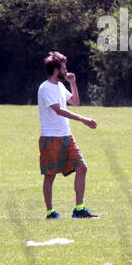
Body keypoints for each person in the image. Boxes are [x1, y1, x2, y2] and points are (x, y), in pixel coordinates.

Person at [38, 51, 97, 219]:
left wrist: (73, 83)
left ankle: (79, 209)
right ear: (56, 70)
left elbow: (75, 102)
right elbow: (58, 110)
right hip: (50, 138)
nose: (66, 71)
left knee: (82, 168)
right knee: (50, 175)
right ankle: (50, 212)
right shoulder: (45, 88)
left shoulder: (60, 86)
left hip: (67, 136)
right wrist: (82, 119)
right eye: (64, 68)